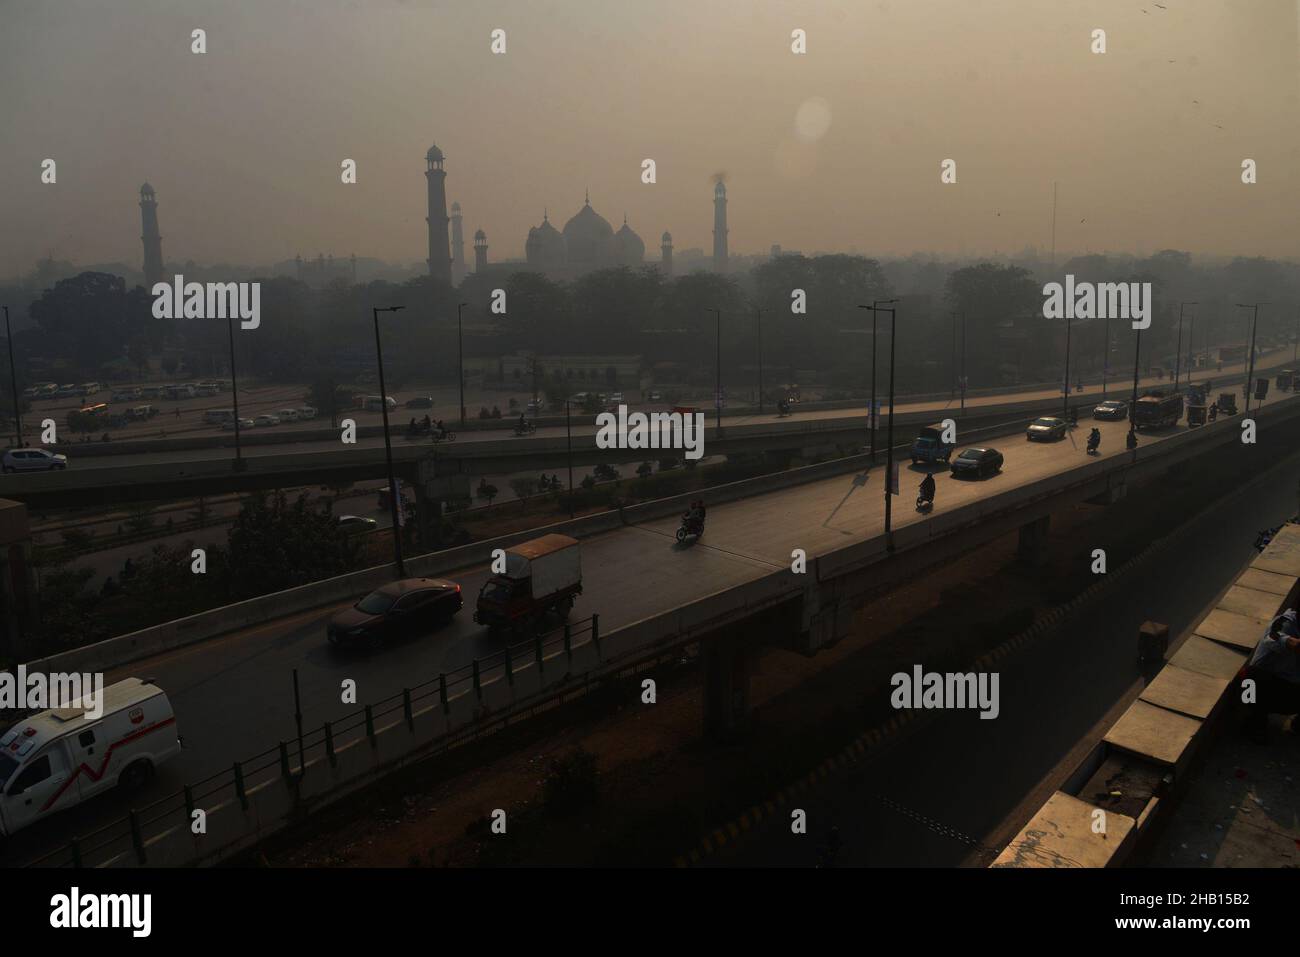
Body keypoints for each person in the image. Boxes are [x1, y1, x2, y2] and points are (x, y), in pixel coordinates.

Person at [1241, 609, 1300, 743]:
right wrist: (1291, 643)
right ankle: (1254, 721)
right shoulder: (1284, 622)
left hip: (1289, 687)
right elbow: (1273, 636)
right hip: (1258, 685)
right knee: (1252, 676)